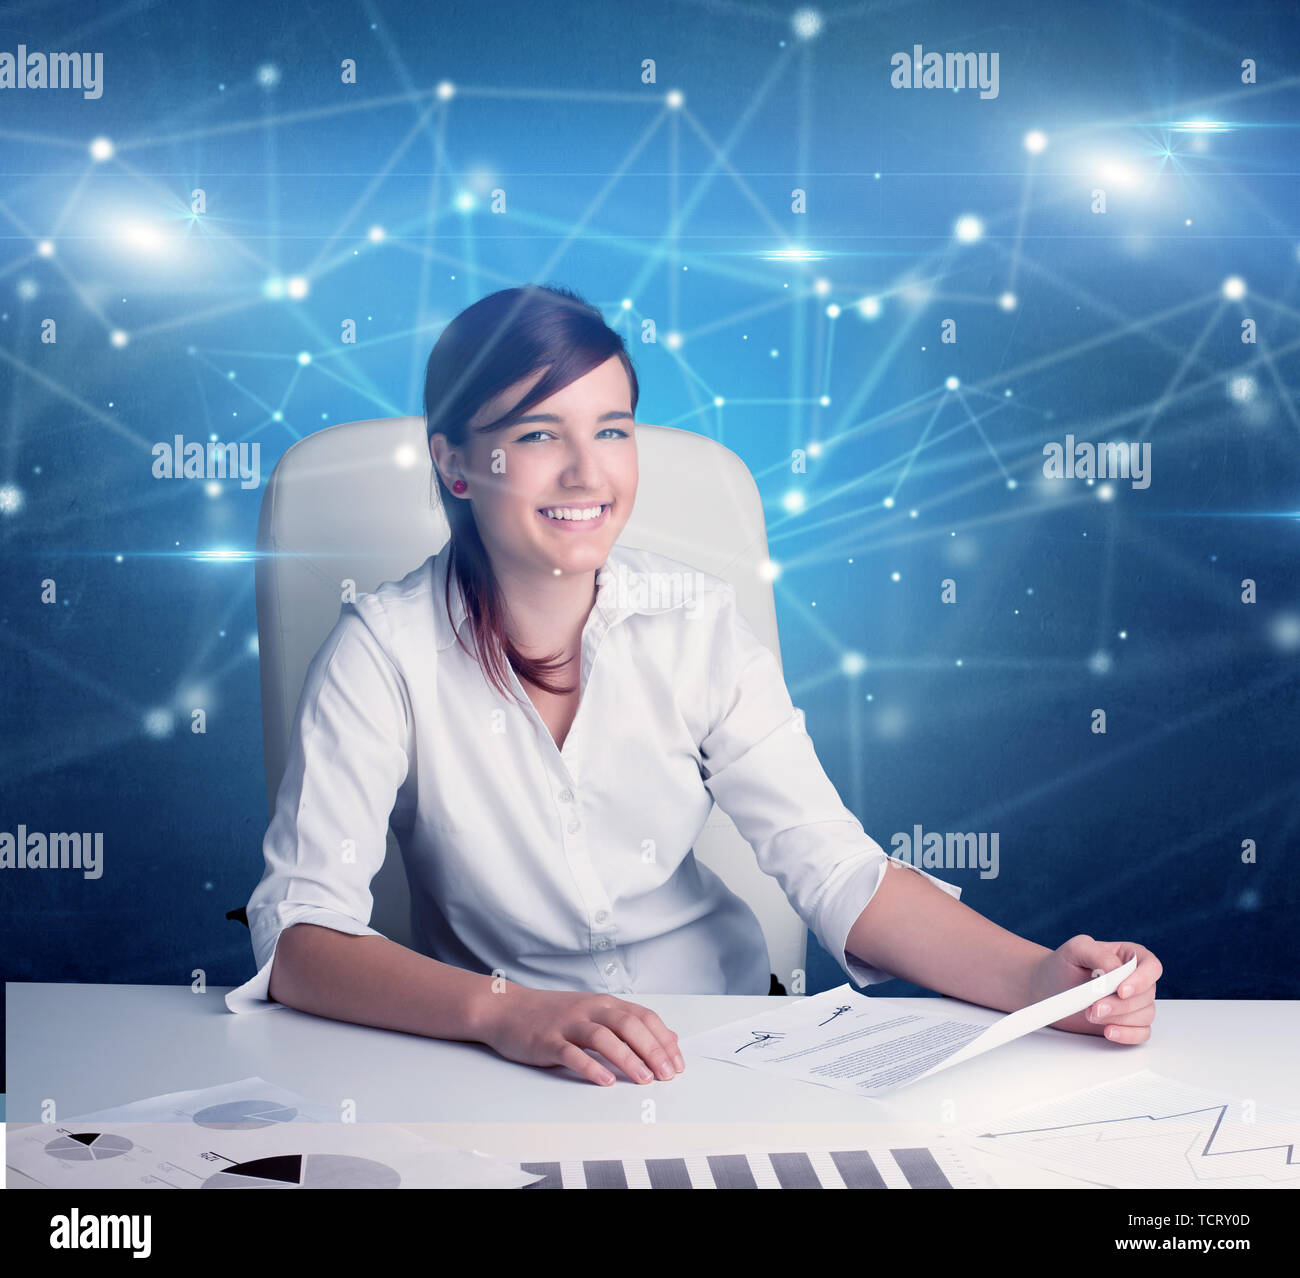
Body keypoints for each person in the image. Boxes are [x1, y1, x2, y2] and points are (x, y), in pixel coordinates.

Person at [226, 283, 1162, 1088]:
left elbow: (836, 869)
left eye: (613, 430)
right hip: (507, 1060)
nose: (588, 471)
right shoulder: (382, 649)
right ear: (455, 462)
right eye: (538, 433)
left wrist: (1044, 979)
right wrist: (507, 1014)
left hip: (727, 1045)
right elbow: (300, 937)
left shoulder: (695, 623)